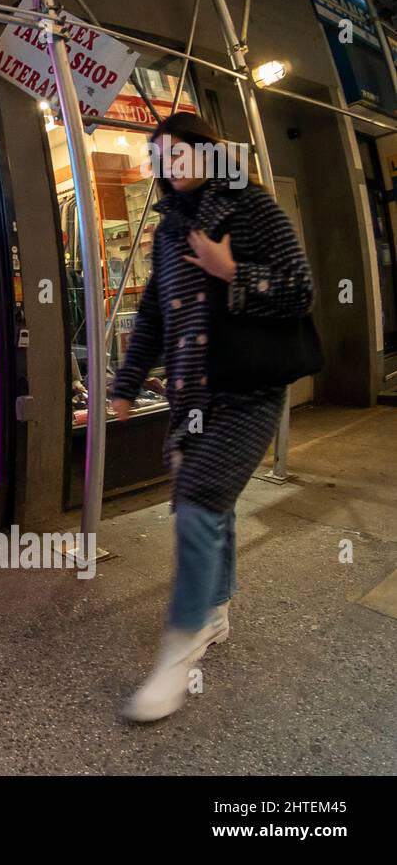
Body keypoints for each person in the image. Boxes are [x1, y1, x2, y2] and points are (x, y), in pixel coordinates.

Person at [110, 112, 315, 723]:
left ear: (209, 153)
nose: (169, 168)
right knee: (211, 504)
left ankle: (180, 650)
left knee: (198, 500)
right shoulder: (170, 229)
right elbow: (150, 316)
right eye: (160, 159)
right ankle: (217, 609)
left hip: (248, 394)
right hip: (193, 397)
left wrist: (233, 273)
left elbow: (300, 290)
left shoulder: (251, 207)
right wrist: (122, 387)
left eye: (179, 156)